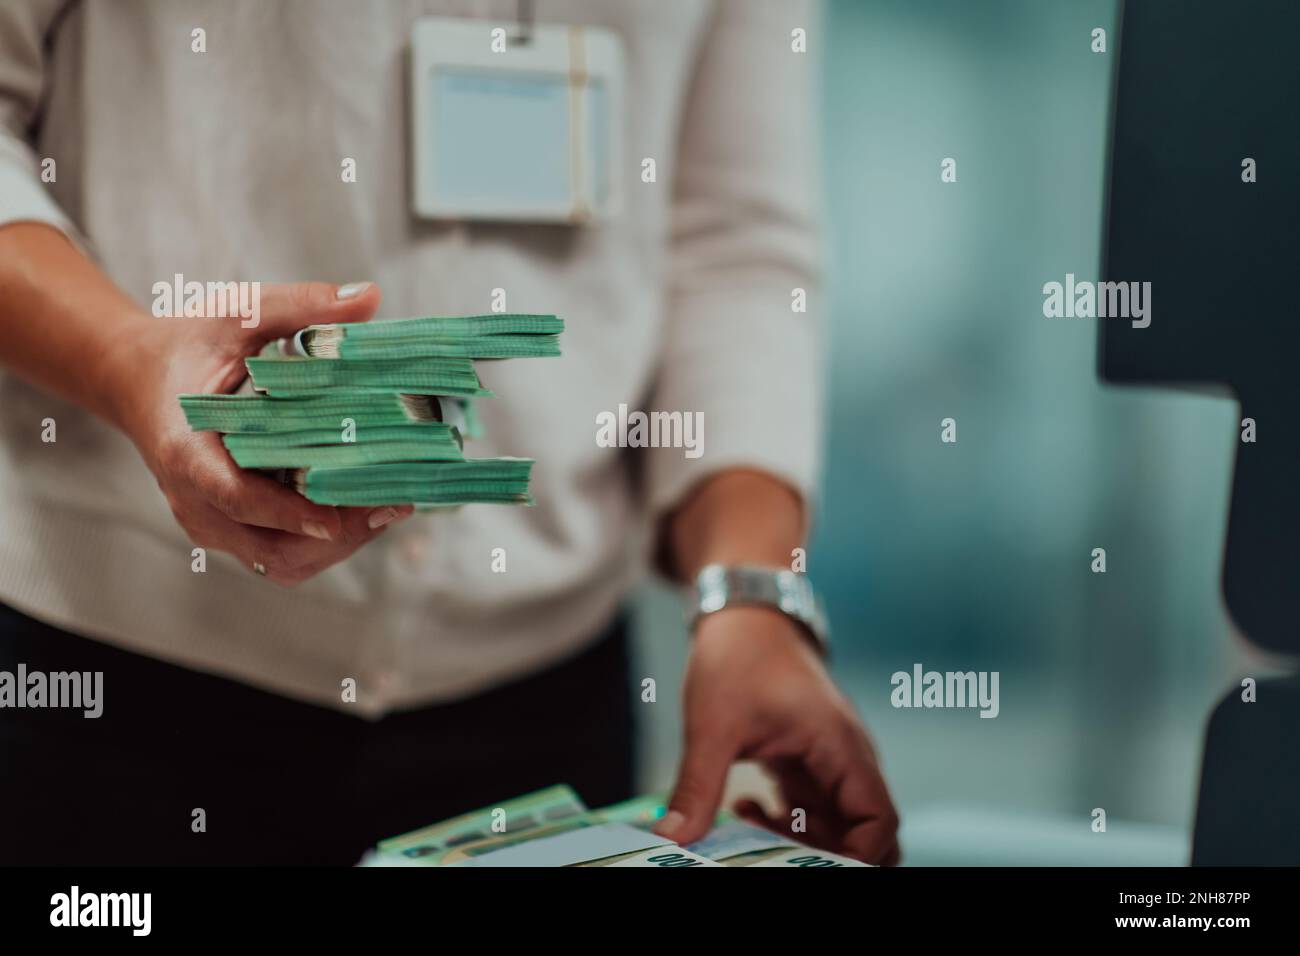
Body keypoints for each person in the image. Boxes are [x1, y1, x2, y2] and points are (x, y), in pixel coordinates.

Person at [0, 0, 899, 865]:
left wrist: (748, 593)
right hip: (114, 668)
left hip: (552, 694)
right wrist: (130, 360)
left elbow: (734, 240)